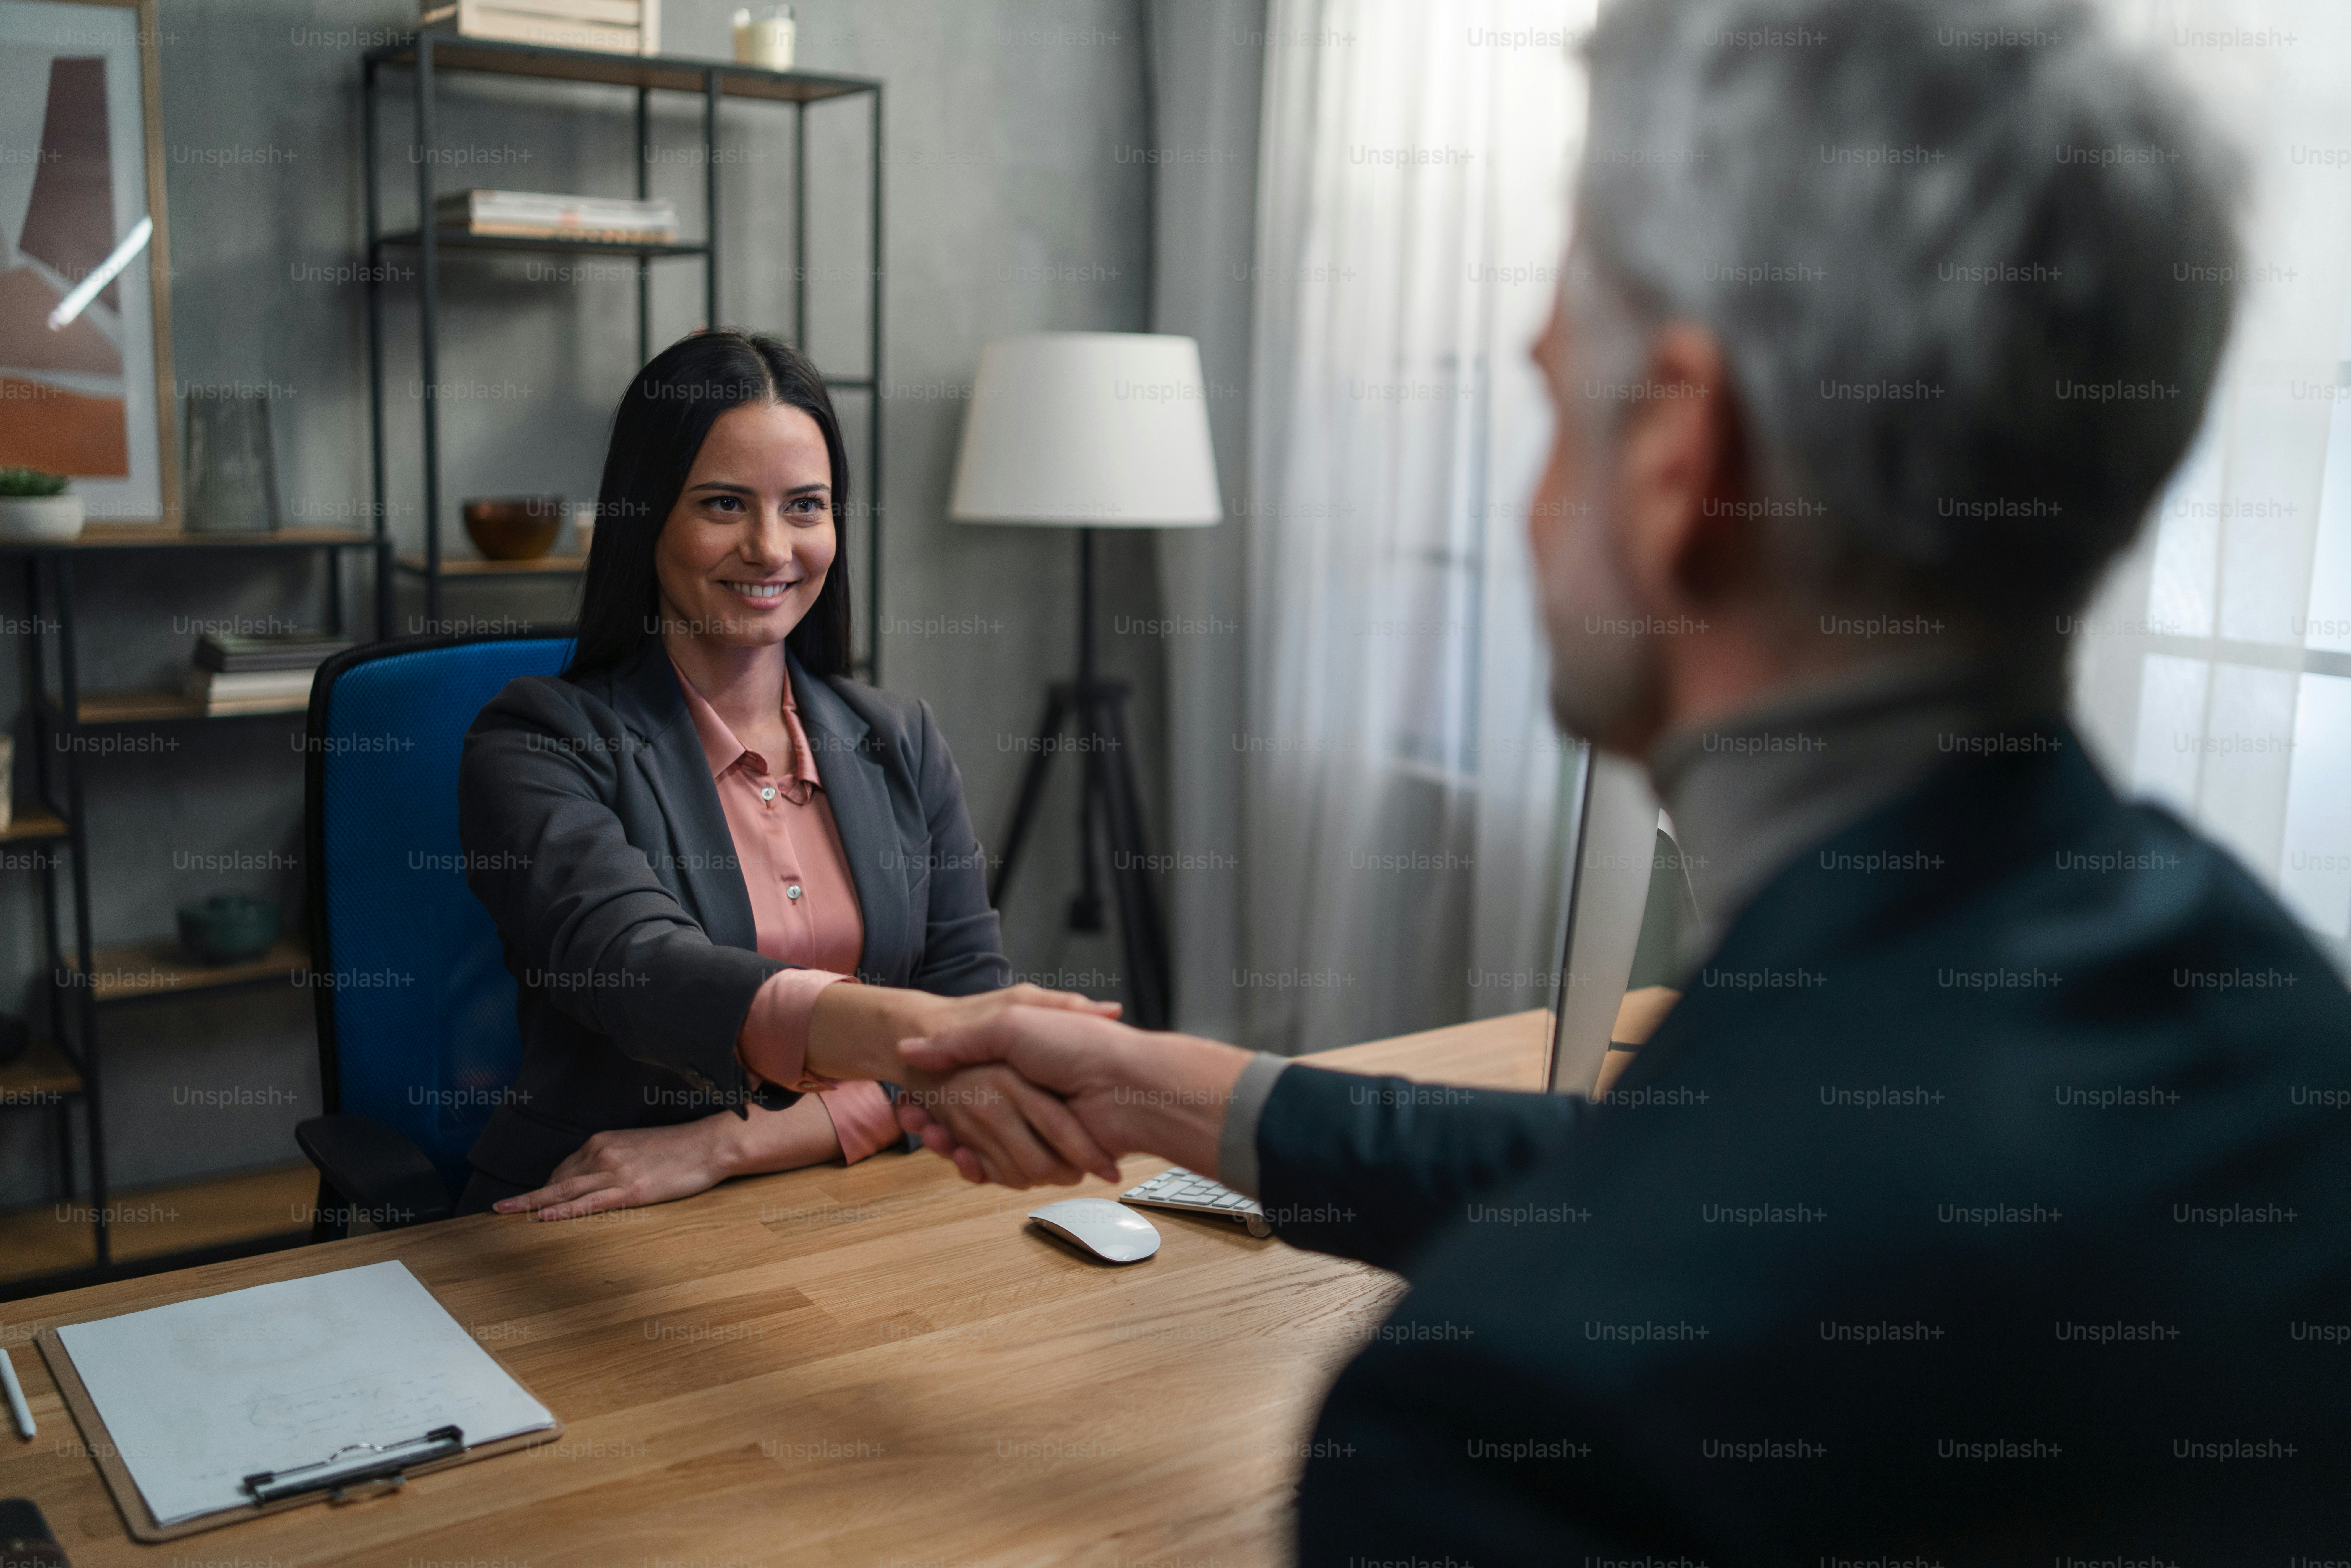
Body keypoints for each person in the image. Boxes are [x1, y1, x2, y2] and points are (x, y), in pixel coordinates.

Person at [895, 0, 2351, 1555]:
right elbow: (1717, 1175)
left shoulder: (1513, 1426)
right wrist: (1151, 1084)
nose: (1527, 507)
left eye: (1550, 399)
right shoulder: (2275, 1022)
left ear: (1677, 460)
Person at [455, 330, 1113, 1221]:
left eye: (806, 506)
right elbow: (645, 970)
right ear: (646, 519)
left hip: (865, 1207)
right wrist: (930, 1037)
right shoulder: (537, 743)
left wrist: (735, 1142)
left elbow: (968, 1035)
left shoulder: (900, 740)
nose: (771, 548)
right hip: (607, 1216)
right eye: (725, 505)